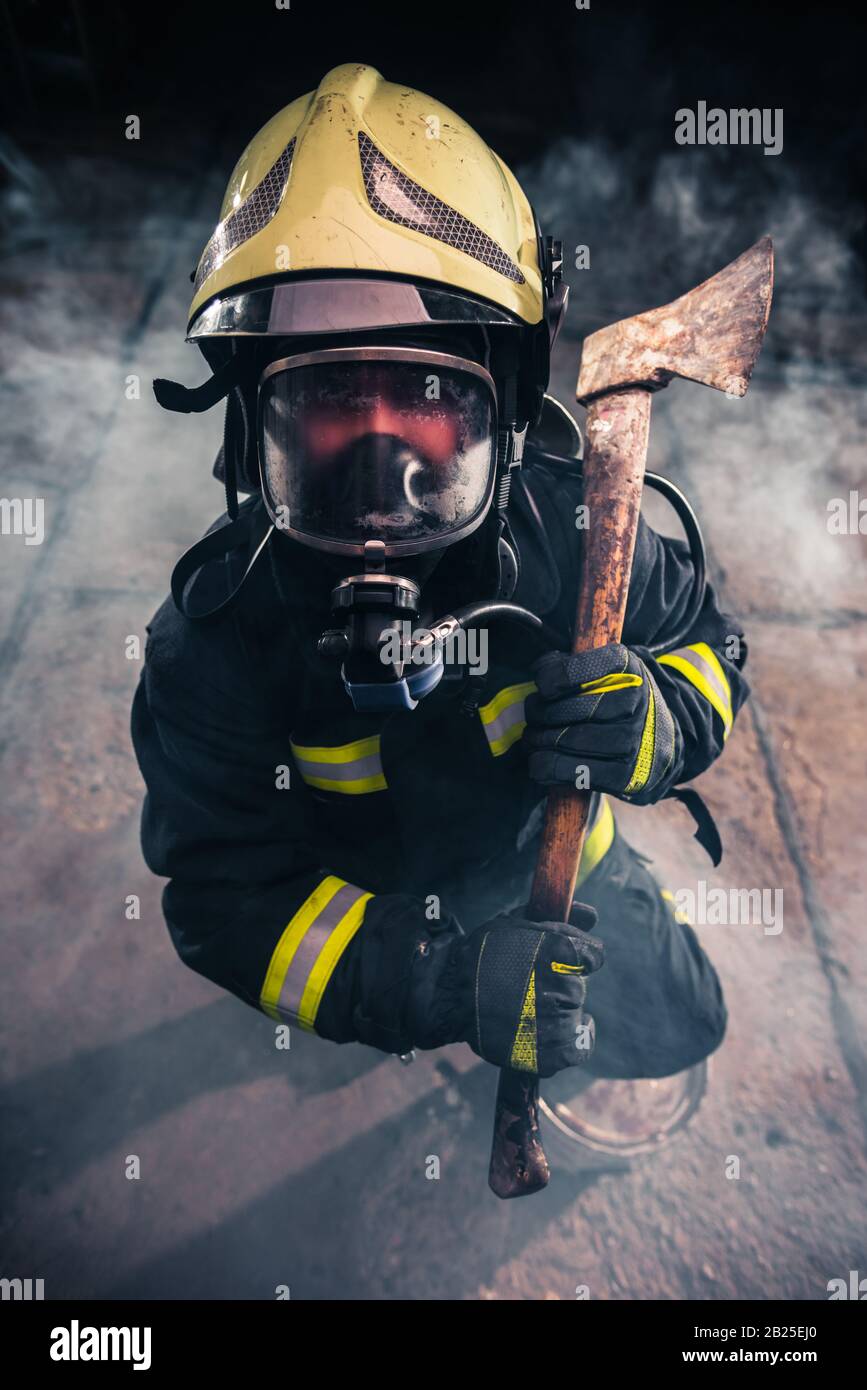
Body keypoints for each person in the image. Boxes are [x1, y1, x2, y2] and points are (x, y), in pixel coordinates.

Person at [132, 63, 744, 1088]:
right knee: (321, 1043)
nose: (383, 475)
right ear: (248, 428)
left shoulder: (580, 536)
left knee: (684, 1025)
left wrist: (663, 720)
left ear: (504, 407)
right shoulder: (214, 643)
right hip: (366, 911)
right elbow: (224, 897)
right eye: (325, 405)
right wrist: (440, 988)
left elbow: (712, 648)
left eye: (425, 396)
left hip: (558, 873)